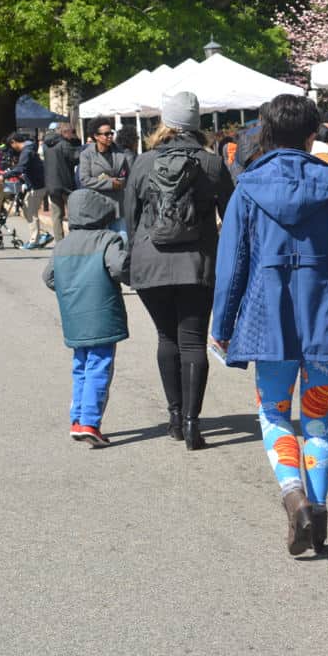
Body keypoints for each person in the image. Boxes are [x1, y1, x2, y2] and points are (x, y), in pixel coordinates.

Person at [210, 94, 328, 557]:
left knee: (274, 413)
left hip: (267, 319)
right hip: (326, 316)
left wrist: (222, 322)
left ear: (267, 133)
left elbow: (231, 265)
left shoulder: (248, 187)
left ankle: (293, 496)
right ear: (314, 136)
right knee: (318, 419)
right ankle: (318, 507)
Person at [124, 91, 234, 450]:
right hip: (197, 264)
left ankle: (173, 417)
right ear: (196, 123)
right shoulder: (212, 163)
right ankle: (192, 424)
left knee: (166, 338)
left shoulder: (143, 163)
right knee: (192, 340)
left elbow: (130, 217)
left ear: (165, 123)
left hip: (150, 263)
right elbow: (231, 217)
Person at [42, 189, 129, 448]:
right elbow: (118, 268)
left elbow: (49, 278)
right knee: (99, 366)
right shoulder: (108, 239)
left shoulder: (62, 245)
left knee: (80, 366)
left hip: (74, 315)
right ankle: (90, 422)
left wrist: (70, 288)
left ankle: (77, 419)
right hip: (102, 313)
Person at [76, 118, 129, 238]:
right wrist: (110, 183)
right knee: (101, 243)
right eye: (106, 134)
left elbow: (126, 175)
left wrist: (122, 181)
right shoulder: (87, 154)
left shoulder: (120, 153)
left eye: (111, 133)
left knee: (123, 240)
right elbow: (84, 179)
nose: (110, 136)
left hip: (117, 206)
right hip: (98, 206)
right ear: (96, 136)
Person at [5, 131, 48, 250]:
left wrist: (4, 176)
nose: (12, 149)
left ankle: (35, 240)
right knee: (26, 208)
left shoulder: (26, 151)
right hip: (34, 185)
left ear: (14, 142)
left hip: (38, 185)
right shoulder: (29, 149)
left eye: (11, 145)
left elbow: (20, 168)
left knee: (31, 212)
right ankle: (43, 234)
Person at [43, 121, 81, 242]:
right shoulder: (63, 144)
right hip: (65, 184)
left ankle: (59, 242)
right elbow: (76, 157)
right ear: (65, 132)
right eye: (72, 132)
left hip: (51, 184)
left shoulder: (46, 145)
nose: (73, 135)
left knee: (56, 215)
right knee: (73, 214)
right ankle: (73, 241)